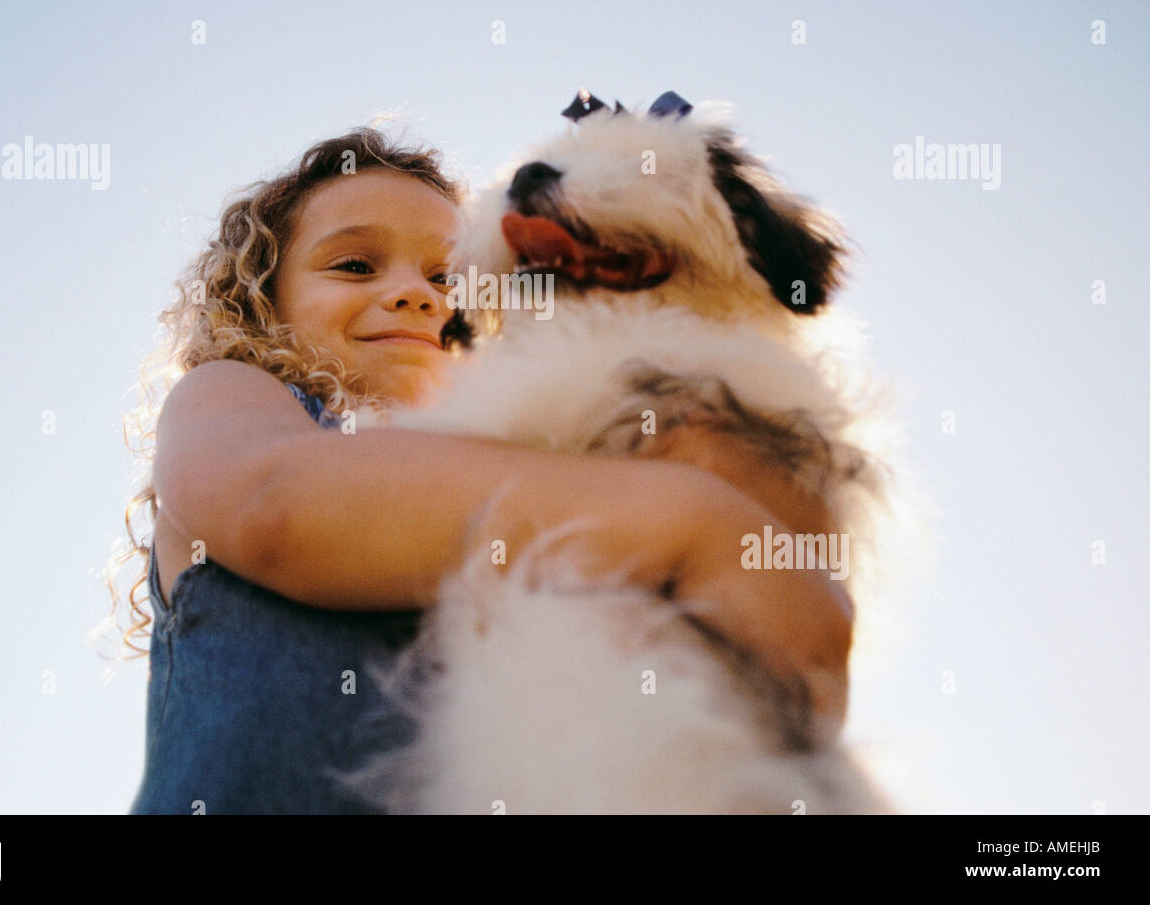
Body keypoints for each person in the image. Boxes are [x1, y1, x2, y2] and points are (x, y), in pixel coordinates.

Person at [100, 126, 853, 814]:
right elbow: (274, 504)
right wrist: (696, 525)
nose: (413, 294)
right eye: (355, 265)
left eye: (446, 276)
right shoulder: (247, 400)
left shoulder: (549, 451)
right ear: (263, 303)